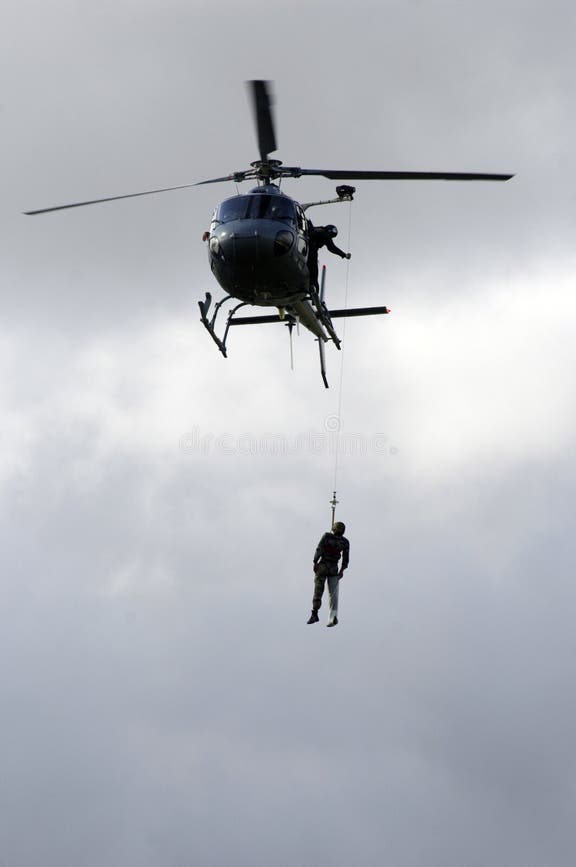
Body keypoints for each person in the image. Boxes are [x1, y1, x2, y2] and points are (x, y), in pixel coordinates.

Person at [307, 521, 350, 627]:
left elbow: (319, 548)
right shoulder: (345, 542)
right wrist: (342, 570)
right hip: (334, 569)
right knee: (333, 593)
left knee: (318, 590)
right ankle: (333, 615)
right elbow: (346, 559)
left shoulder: (327, 536)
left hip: (323, 566)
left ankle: (315, 613)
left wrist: (315, 561)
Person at [307, 223, 351, 294]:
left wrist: (344, 254)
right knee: (314, 270)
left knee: (313, 269)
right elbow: (332, 248)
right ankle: (313, 288)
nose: (329, 238)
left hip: (306, 247)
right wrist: (344, 255)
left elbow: (332, 248)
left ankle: (312, 288)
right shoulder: (324, 233)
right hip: (310, 249)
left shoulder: (318, 230)